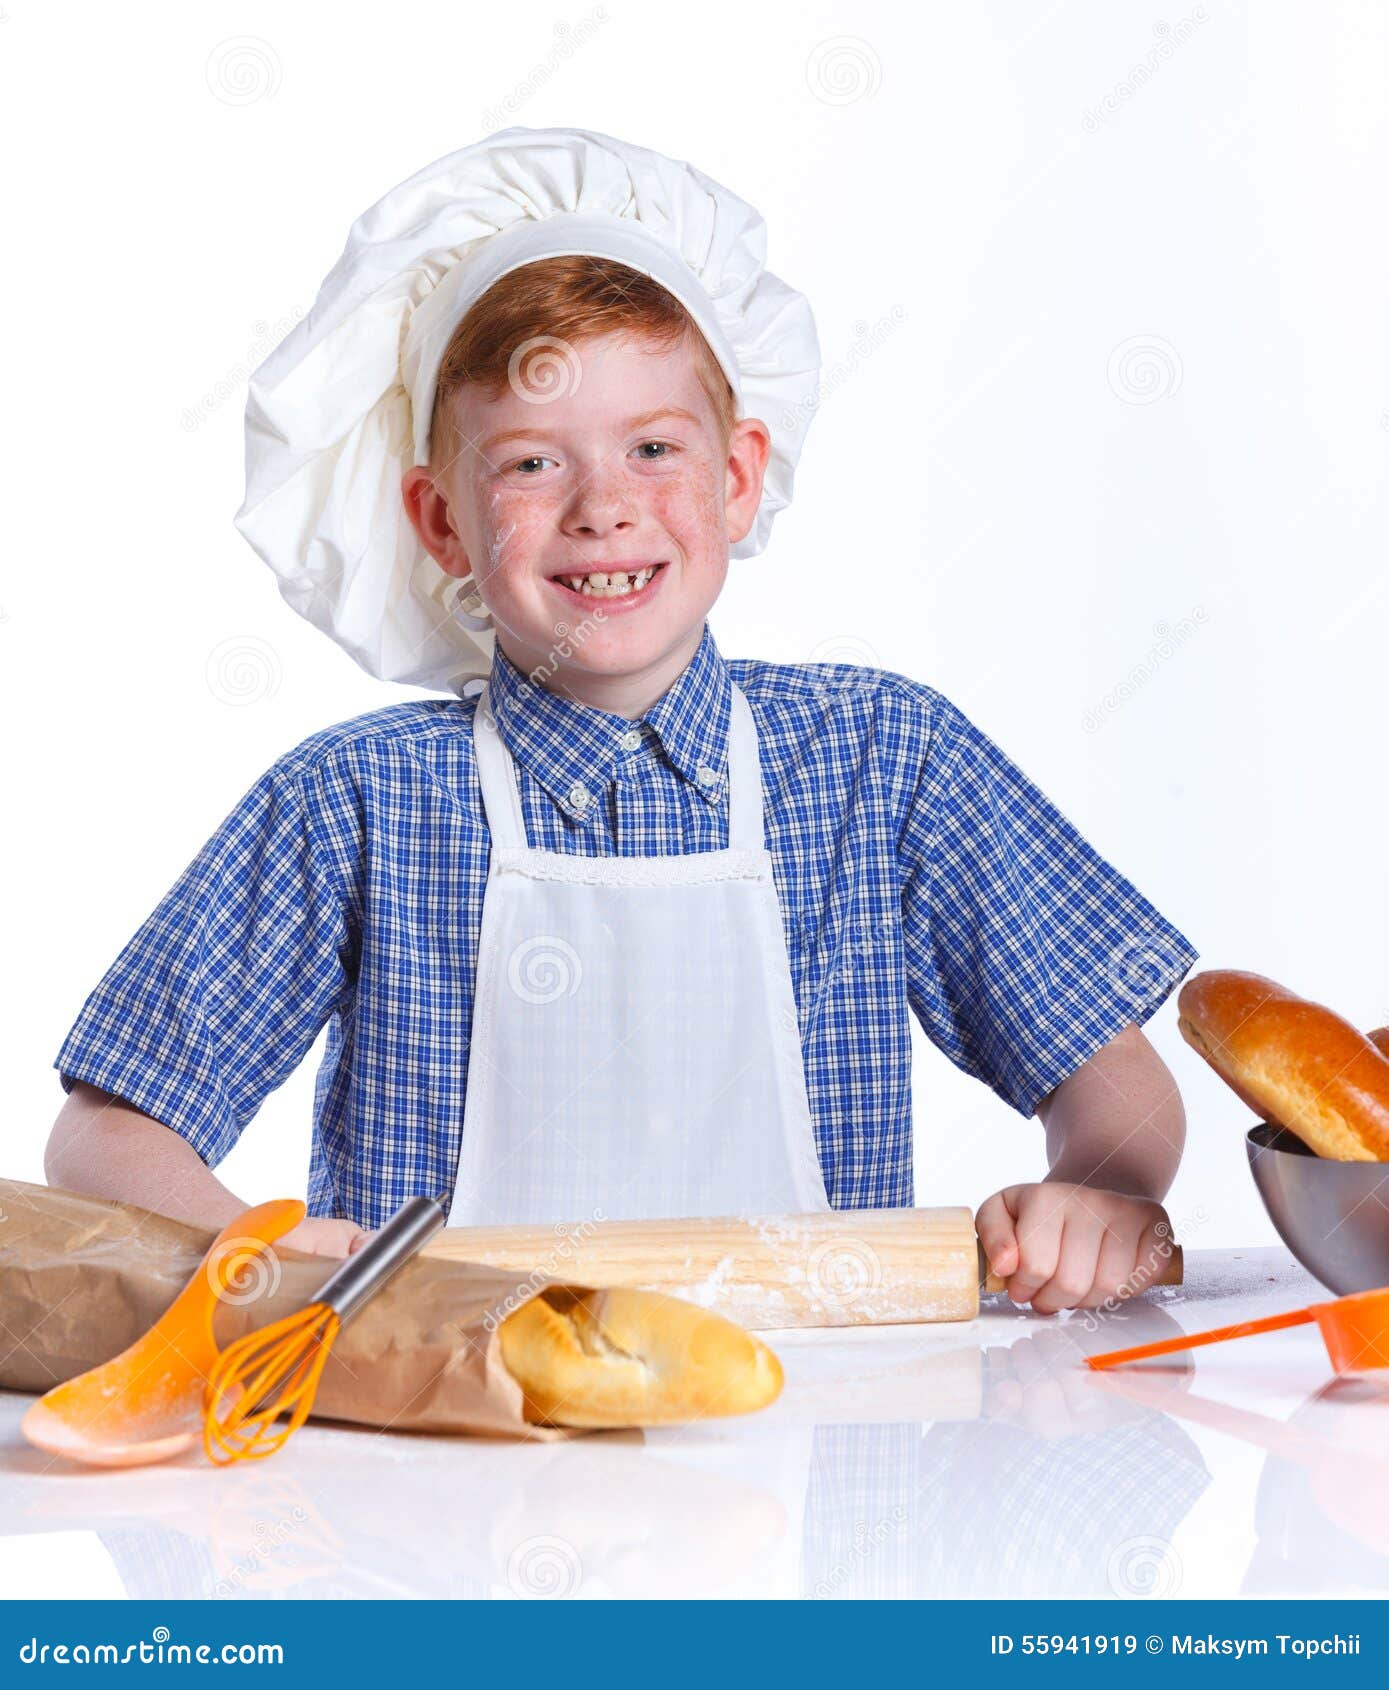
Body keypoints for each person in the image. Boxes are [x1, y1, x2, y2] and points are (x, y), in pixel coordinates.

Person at [46, 128, 1197, 1312]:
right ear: (440, 522)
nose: (603, 508)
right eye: (533, 464)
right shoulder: (358, 803)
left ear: (739, 476)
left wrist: (1102, 1192)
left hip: (823, 1444)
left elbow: (1121, 1087)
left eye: (654, 447)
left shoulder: (884, 762)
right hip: (447, 1464)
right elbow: (106, 1130)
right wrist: (256, 1253)